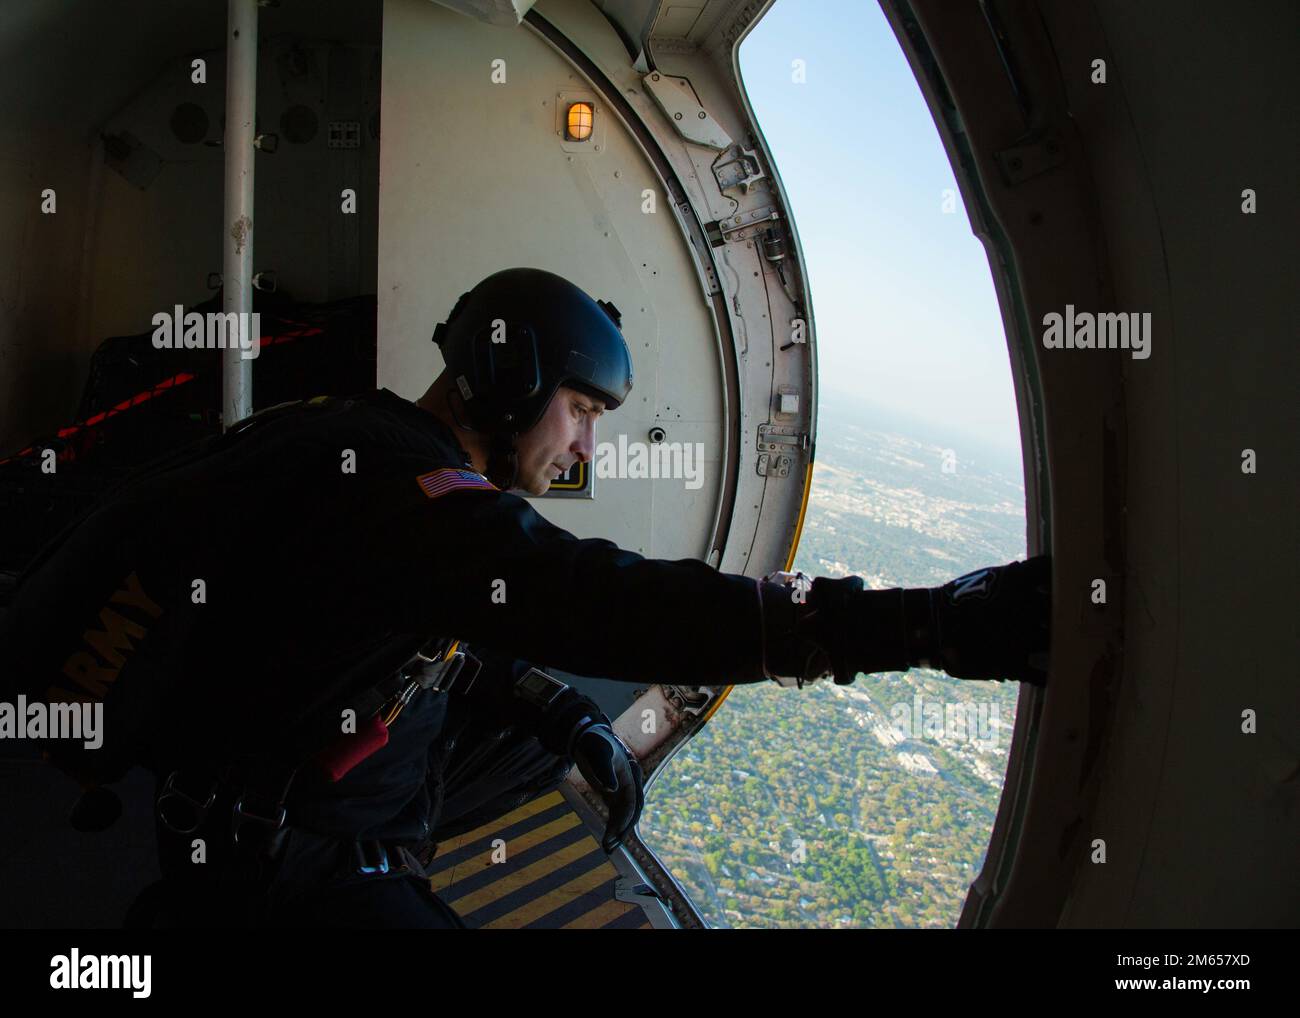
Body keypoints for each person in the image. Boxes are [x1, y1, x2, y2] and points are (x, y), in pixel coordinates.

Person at [0, 266, 1050, 928]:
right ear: (511, 379)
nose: (586, 447)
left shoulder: (359, 436)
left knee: (554, 721)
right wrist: (916, 626)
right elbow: (596, 600)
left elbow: (439, 620)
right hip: (297, 870)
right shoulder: (405, 496)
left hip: (278, 787)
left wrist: (555, 708)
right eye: (582, 410)